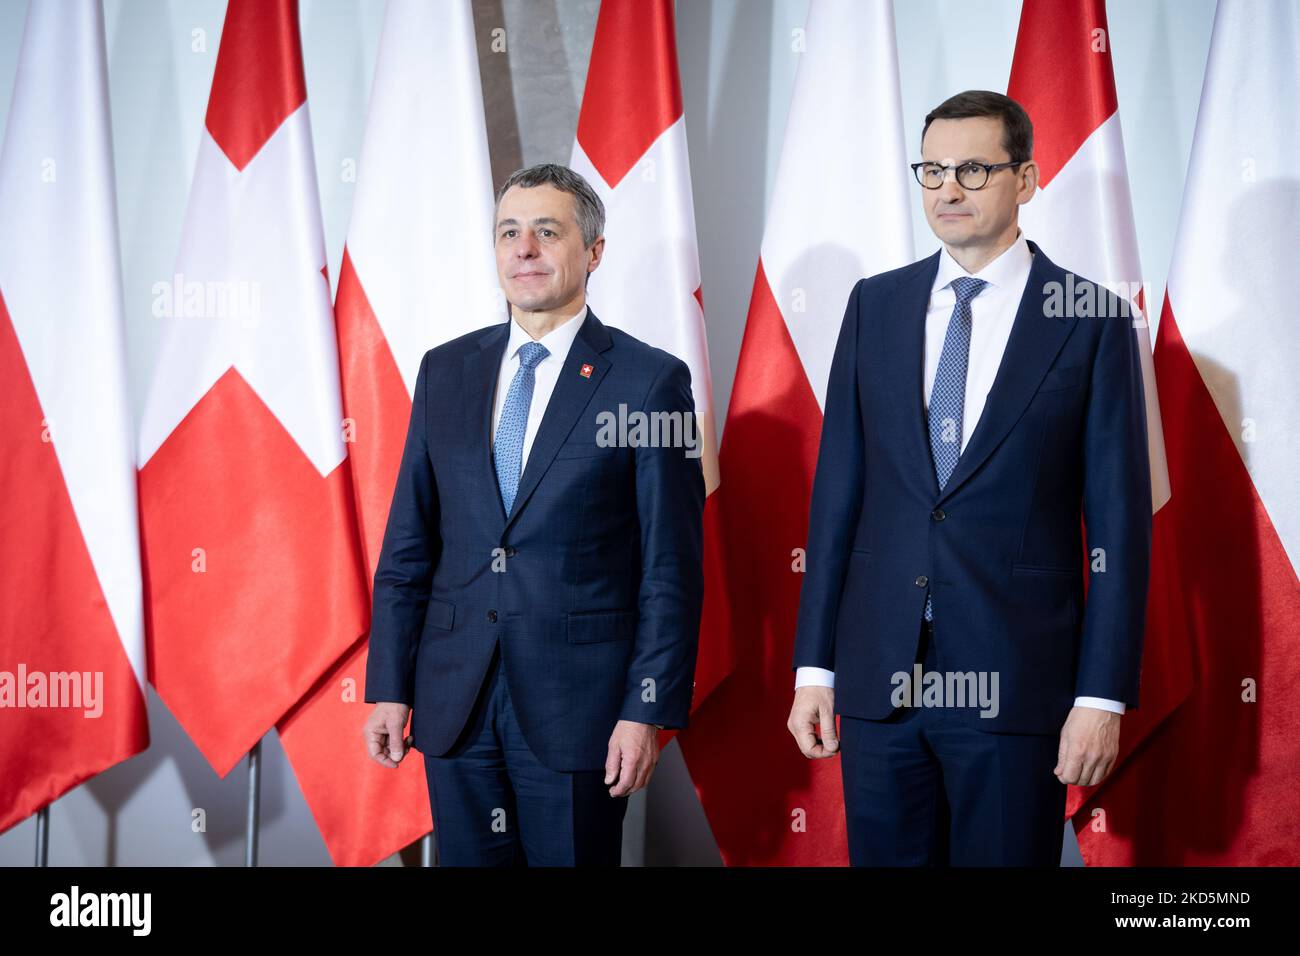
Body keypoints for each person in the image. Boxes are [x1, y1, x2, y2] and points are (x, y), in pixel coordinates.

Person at [787, 91, 1151, 865]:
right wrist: (813, 667)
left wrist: (1101, 696)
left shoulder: (1090, 318)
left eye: (974, 169)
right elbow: (838, 497)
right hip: (880, 681)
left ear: (1026, 178)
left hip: (1017, 684)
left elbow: (1120, 525)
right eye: (933, 170)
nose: (948, 188)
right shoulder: (875, 306)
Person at [363, 163, 705, 866]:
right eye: (509, 233)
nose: (524, 249)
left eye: (547, 232)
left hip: (580, 712)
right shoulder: (445, 371)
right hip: (455, 704)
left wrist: (644, 709)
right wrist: (390, 686)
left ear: (594, 250)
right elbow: (409, 546)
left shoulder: (650, 383)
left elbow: (671, 570)